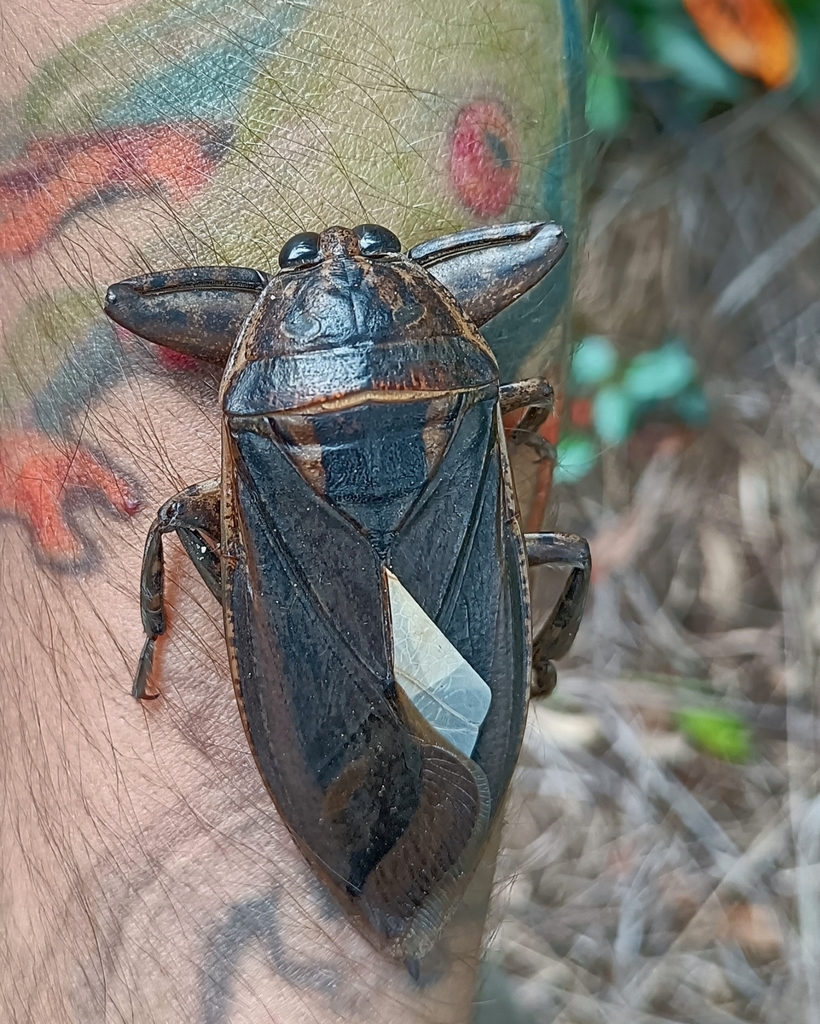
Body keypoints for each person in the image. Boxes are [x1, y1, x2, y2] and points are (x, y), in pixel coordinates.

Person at [0, 1, 585, 1020]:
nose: (338, 250)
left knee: (185, 517)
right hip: (452, 641)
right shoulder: (477, 388)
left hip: (313, 721)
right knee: (558, 550)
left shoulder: (254, 407)